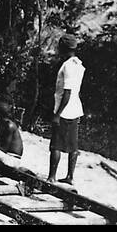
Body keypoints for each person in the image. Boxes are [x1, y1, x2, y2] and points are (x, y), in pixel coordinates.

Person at [49, 35, 85, 186]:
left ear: (63, 48)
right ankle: (70, 176)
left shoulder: (68, 66)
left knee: (56, 145)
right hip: (75, 108)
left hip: (65, 110)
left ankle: (52, 176)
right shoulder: (79, 64)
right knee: (72, 145)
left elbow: (67, 92)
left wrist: (57, 114)